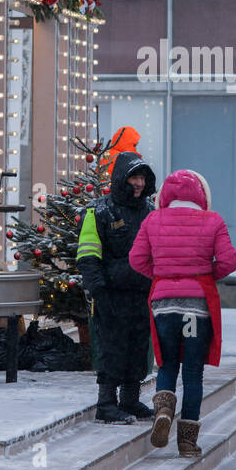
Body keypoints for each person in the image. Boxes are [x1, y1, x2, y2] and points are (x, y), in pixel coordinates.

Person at [129, 169, 236, 457]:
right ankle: (187, 441)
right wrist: (205, 274)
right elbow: (229, 261)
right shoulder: (213, 221)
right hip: (196, 310)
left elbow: (136, 258)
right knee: (192, 372)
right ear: (202, 196)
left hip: (164, 306)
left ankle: (164, 409)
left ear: (166, 195)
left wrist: (162, 274)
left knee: (166, 365)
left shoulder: (153, 219)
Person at [76, 150, 158, 424]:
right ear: (122, 178)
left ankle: (130, 400)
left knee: (137, 348)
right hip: (110, 294)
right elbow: (87, 255)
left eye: (143, 178)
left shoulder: (151, 212)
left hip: (142, 294)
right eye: (134, 177)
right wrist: (98, 291)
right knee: (112, 347)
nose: (139, 183)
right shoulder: (98, 210)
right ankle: (106, 404)